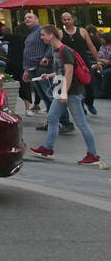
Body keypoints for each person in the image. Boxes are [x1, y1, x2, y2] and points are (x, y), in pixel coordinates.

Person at [29, 26, 102, 166]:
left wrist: (64, 93)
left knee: (81, 123)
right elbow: (62, 72)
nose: (41, 37)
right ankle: (47, 148)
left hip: (71, 92)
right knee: (52, 118)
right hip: (63, 90)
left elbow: (69, 73)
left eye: (43, 35)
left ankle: (93, 154)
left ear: (51, 35)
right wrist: (49, 75)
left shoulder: (64, 50)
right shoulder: (56, 50)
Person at [59, 12, 100, 116]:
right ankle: (82, 110)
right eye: (64, 20)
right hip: (70, 64)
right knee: (77, 89)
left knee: (90, 86)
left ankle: (89, 103)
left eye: (69, 19)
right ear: (62, 21)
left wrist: (98, 61)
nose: (67, 21)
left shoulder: (82, 31)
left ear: (73, 20)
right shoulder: (60, 33)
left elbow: (91, 47)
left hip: (84, 63)